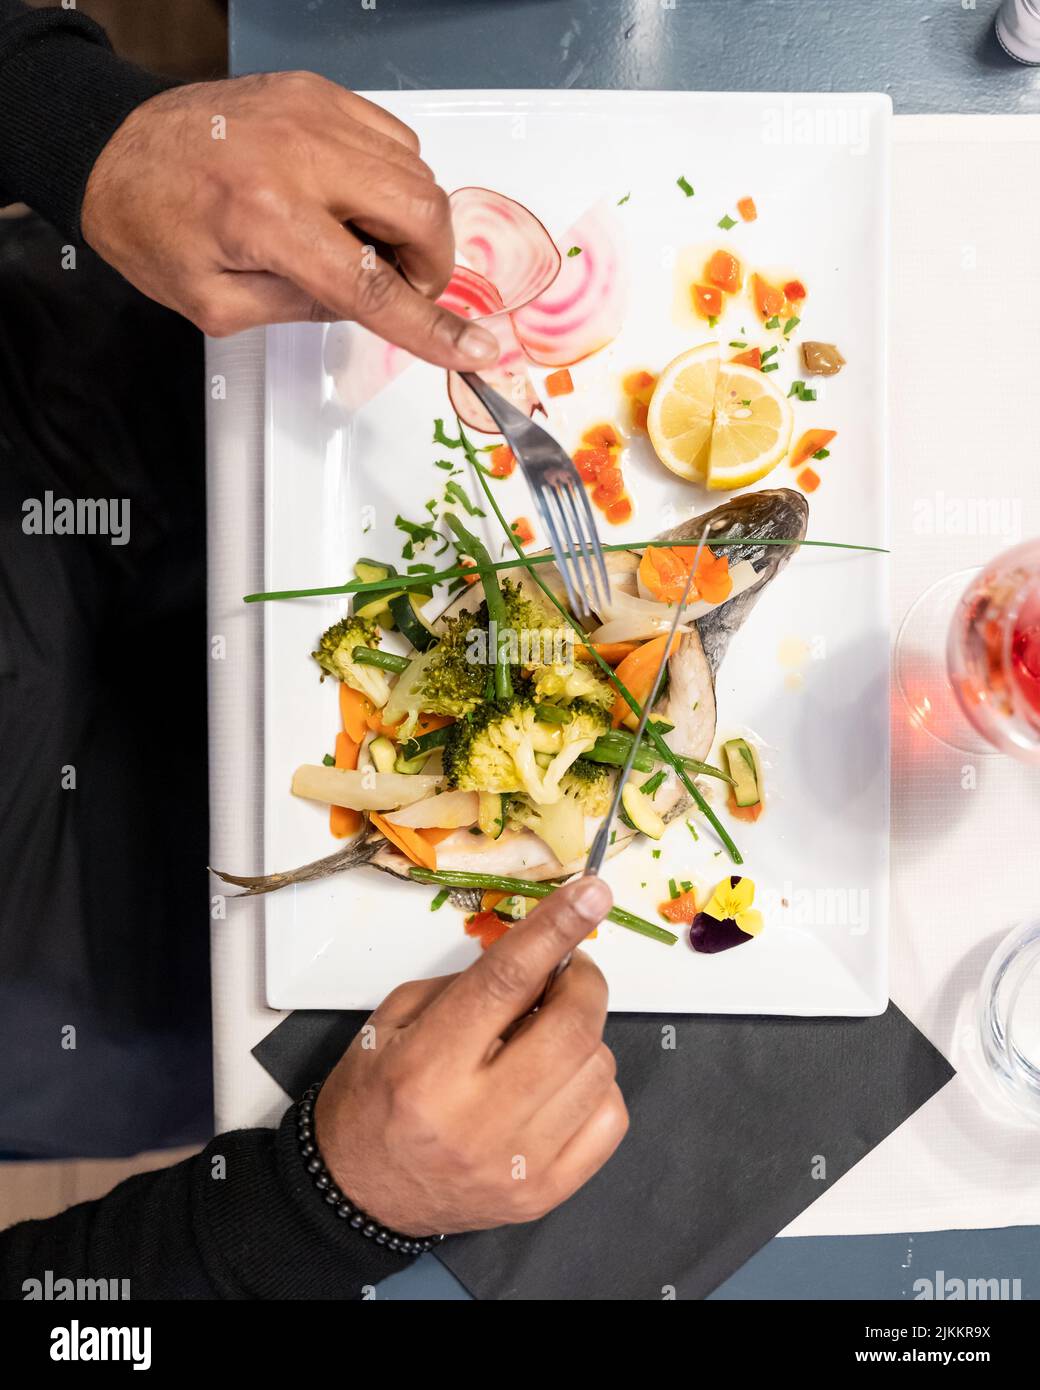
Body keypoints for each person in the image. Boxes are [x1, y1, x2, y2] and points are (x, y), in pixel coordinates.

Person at [0, 4, 626, 1296]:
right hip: (70, 952)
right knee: (367, 960)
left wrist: (68, 122)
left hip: (47, 394)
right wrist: (320, 1207)